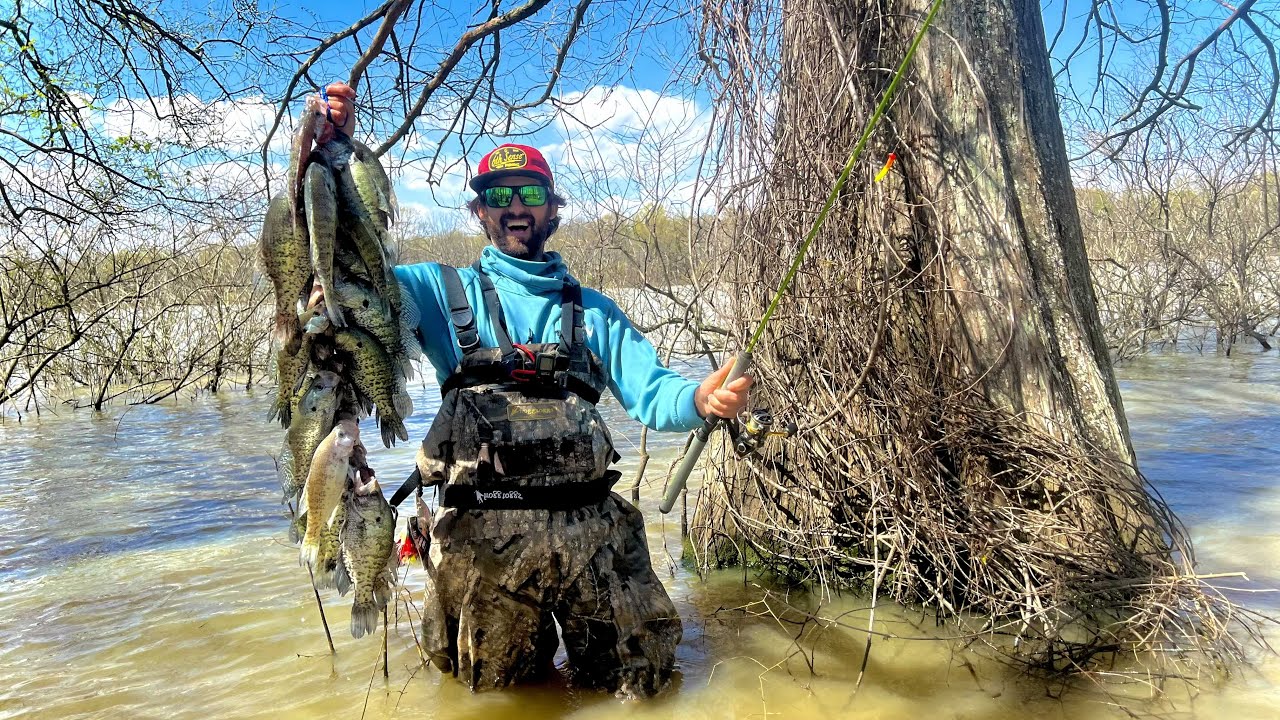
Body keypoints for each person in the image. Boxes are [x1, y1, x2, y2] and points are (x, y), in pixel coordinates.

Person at [306, 89, 752, 697]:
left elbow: (653, 392)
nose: (516, 207)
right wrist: (333, 156)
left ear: (553, 210)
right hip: (484, 548)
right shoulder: (437, 292)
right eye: (499, 196)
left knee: (645, 690)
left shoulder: (594, 312)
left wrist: (700, 400)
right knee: (496, 699)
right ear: (480, 212)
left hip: (595, 538)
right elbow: (347, 274)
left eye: (531, 194)